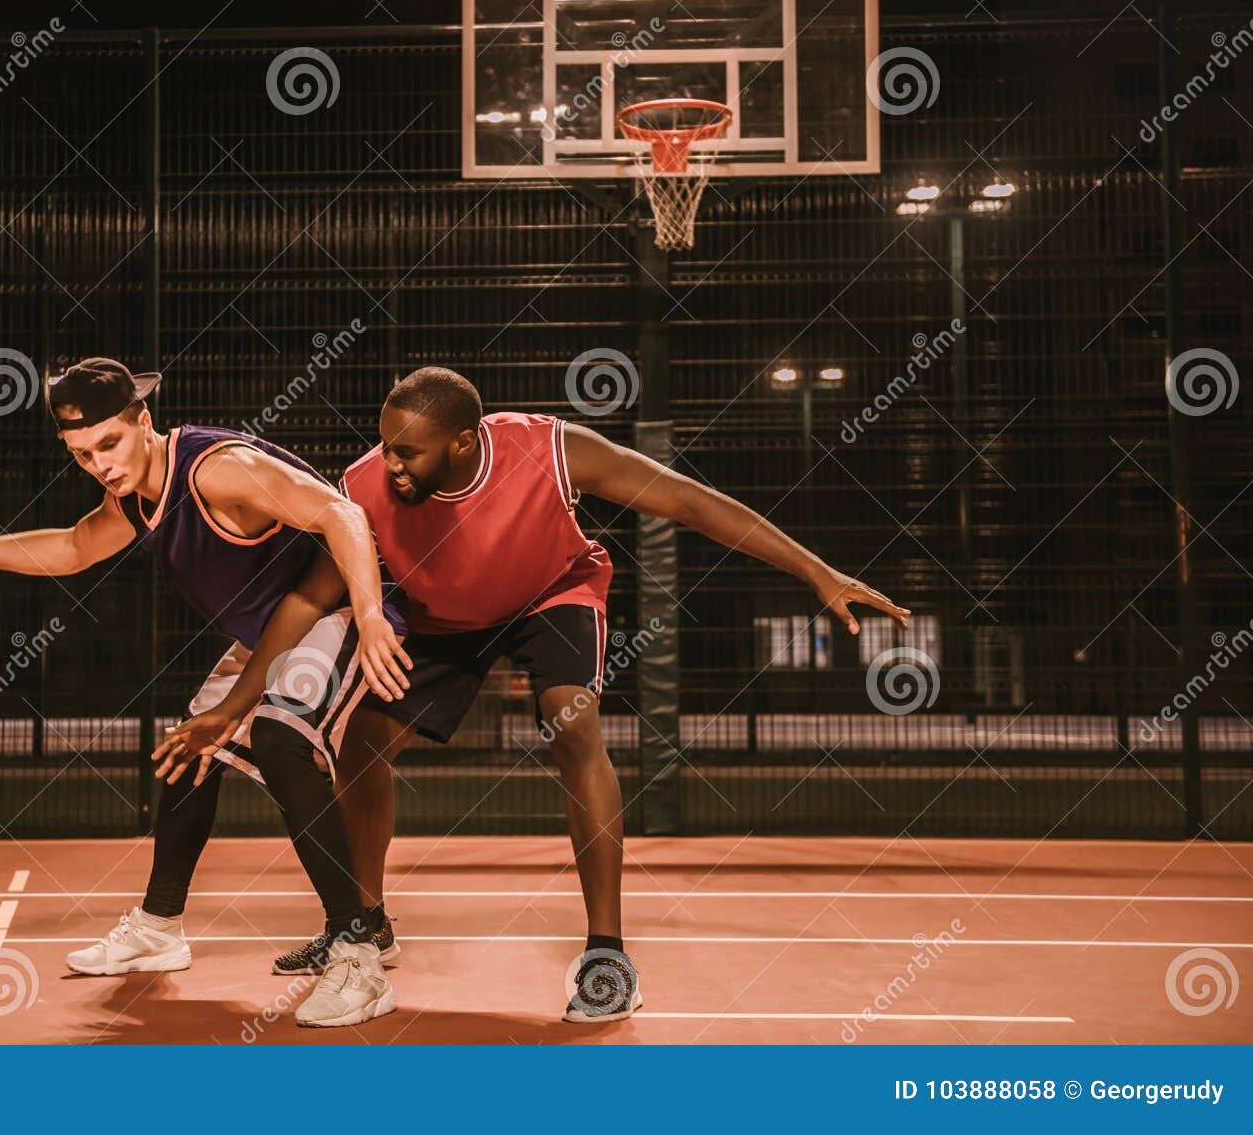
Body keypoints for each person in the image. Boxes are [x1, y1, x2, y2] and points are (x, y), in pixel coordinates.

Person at [315, 365, 911, 1023]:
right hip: (443, 616)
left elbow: (691, 503)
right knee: (362, 740)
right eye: (385, 444)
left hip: (550, 592)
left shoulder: (550, 450)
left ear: (463, 443)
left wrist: (814, 570)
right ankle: (364, 925)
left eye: (407, 451)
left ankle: (607, 953)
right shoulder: (360, 486)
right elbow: (298, 585)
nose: (389, 462)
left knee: (571, 722)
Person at [0, 357, 413, 1028]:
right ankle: (159, 927)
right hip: (273, 632)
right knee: (192, 747)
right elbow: (71, 547)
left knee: (278, 739)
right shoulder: (132, 497)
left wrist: (373, 613)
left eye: (109, 445)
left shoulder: (213, 468)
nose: (99, 465)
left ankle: (356, 951)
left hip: (340, 613)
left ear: (142, 421)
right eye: (81, 454)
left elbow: (341, 511)